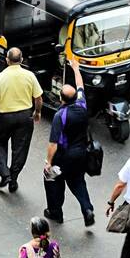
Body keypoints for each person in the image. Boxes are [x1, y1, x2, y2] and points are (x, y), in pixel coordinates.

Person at [42, 61, 95, 227]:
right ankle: (87, 209)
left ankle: (55, 212)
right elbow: (80, 85)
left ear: (61, 98)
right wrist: (76, 69)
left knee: (53, 181)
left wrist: (49, 162)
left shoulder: (60, 116)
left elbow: (53, 143)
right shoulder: (82, 104)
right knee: (78, 182)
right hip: (81, 154)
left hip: (63, 156)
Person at [0, 47, 43, 192]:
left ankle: (5, 174)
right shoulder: (29, 76)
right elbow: (38, 98)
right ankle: (13, 179)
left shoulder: (1, 77)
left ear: (7, 60)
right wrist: (37, 112)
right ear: (21, 60)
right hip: (25, 117)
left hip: (5, 118)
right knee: (20, 150)